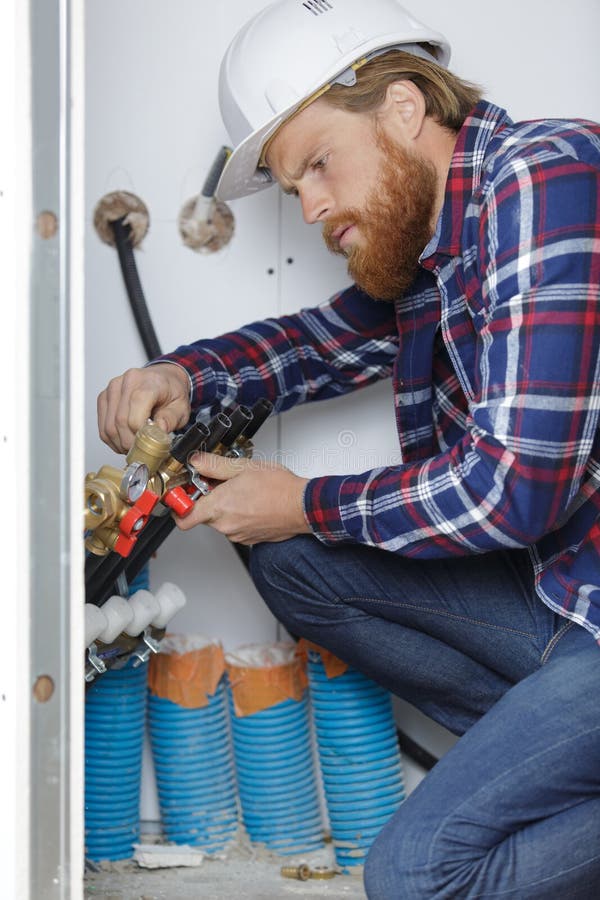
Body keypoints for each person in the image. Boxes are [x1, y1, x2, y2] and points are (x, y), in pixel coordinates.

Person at [97, 0, 600, 895]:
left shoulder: (546, 177)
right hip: (566, 600)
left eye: (319, 164)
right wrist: (188, 376)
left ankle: (546, 764)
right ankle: (551, 758)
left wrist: (300, 499)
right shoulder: (438, 239)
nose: (315, 205)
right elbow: (323, 343)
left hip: (586, 606)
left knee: (415, 876)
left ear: (403, 108)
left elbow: (513, 491)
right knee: (291, 562)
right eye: (298, 188)